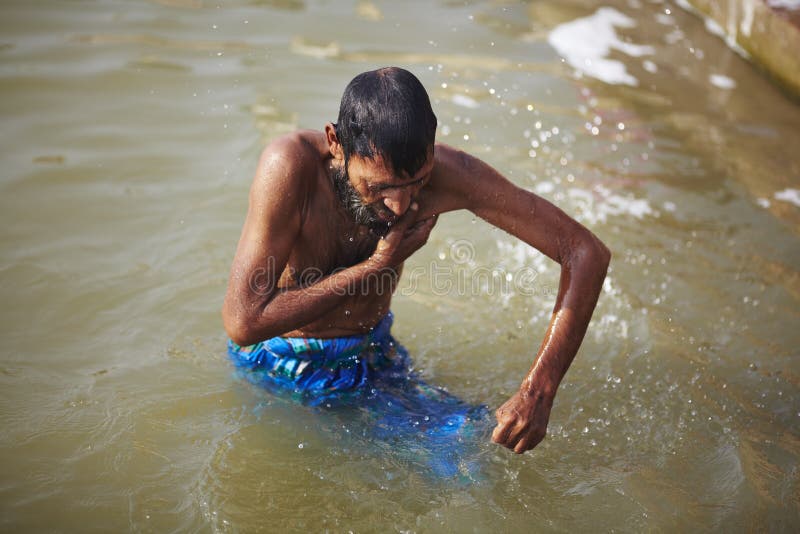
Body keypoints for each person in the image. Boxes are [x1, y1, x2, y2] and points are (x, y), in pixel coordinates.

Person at [222, 67, 610, 455]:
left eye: (417, 183)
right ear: (335, 142)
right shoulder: (291, 168)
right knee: (464, 461)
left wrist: (538, 391)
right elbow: (243, 321)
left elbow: (584, 252)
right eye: (379, 187)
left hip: (375, 354)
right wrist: (375, 266)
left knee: (489, 451)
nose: (400, 206)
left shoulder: (447, 173)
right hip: (281, 368)